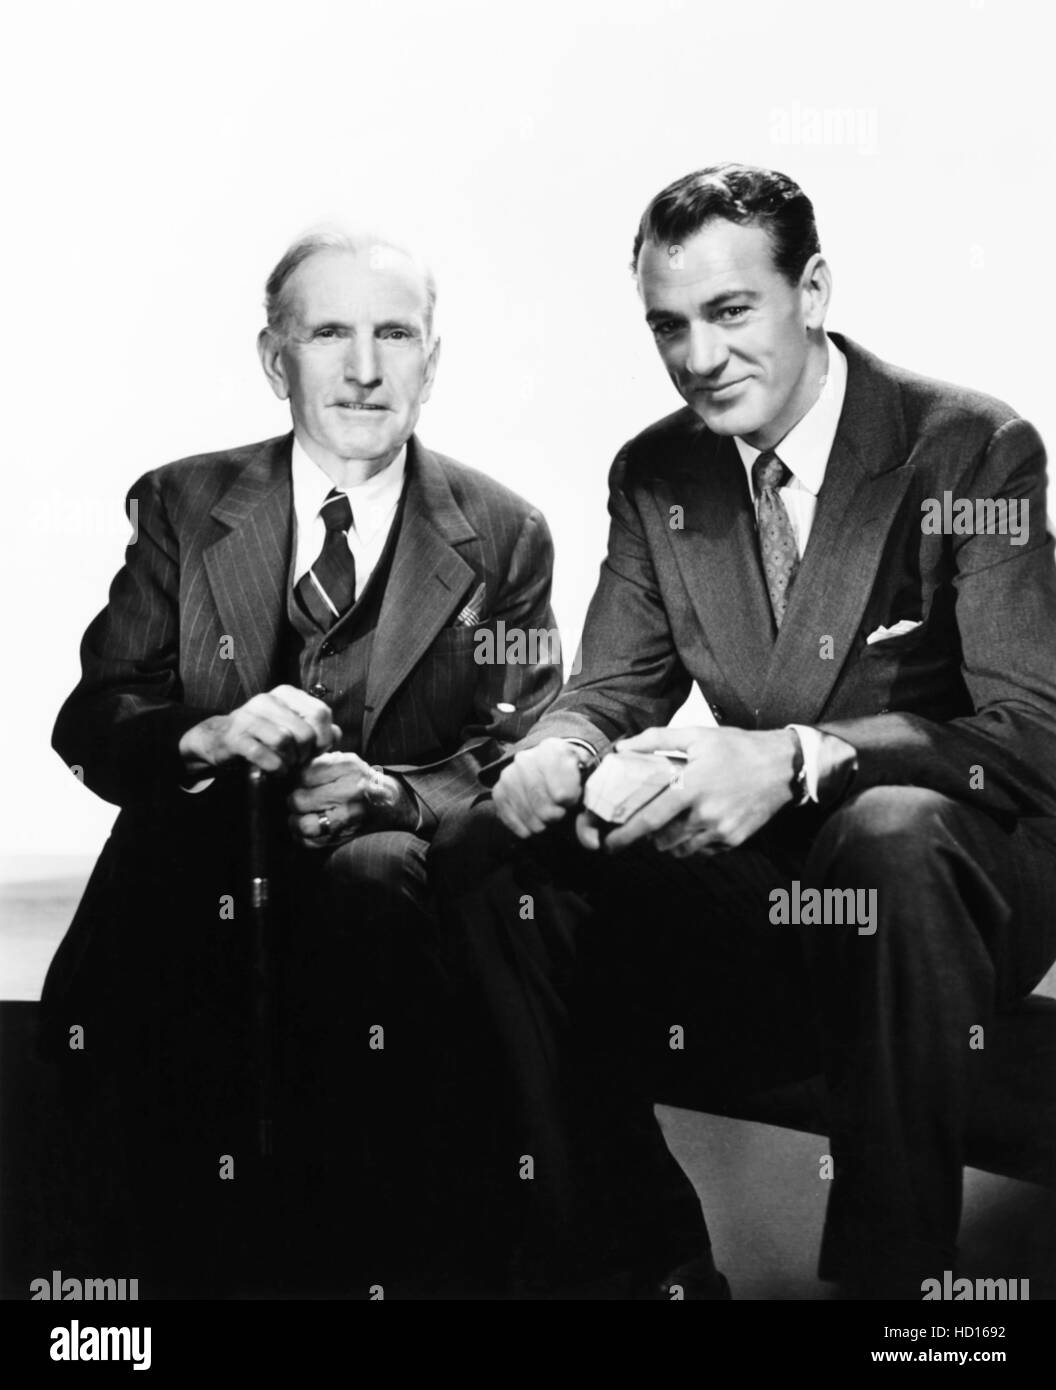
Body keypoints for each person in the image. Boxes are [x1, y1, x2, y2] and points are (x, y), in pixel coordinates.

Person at [431, 164, 1056, 1299]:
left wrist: (799, 755)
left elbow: (1033, 727)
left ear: (811, 290)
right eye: (668, 326)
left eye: (730, 313)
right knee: (487, 848)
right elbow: (613, 684)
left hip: (963, 874)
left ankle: (893, 1293)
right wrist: (558, 750)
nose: (698, 357)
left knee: (892, 832)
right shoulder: (656, 469)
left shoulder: (971, 447)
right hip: (779, 892)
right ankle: (647, 1265)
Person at [43, 228, 561, 1296]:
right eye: (331, 333)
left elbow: (517, 744)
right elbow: (96, 714)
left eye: (394, 334)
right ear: (277, 358)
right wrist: (206, 735)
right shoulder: (184, 505)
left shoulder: (505, 533)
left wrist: (392, 793)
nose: (364, 368)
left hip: (390, 934)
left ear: (431, 358)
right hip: (191, 914)